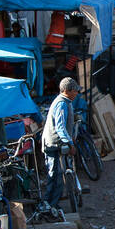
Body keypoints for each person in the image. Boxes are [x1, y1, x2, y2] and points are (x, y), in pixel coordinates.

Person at [41, 78, 78, 211]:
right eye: (75, 91)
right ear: (67, 91)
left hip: (56, 143)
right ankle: (49, 205)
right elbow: (60, 128)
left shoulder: (66, 102)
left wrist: (70, 137)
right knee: (54, 175)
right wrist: (69, 143)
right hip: (52, 143)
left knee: (57, 174)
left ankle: (52, 204)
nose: (76, 93)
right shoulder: (61, 104)